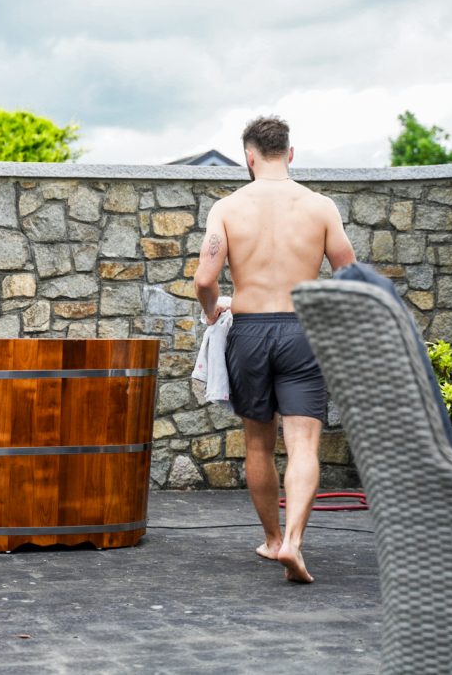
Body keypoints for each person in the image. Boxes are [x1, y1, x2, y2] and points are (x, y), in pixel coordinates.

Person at [193, 116, 356, 583]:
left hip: (249, 331)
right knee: (304, 444)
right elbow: (349, 274)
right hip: (303, 330)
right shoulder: (320, 206)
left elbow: (205, 280)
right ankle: (295, 544)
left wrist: (211, 310)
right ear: (290, 153)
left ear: (248, 157)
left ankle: (271, 540)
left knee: (259, 443)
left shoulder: (227, 208)